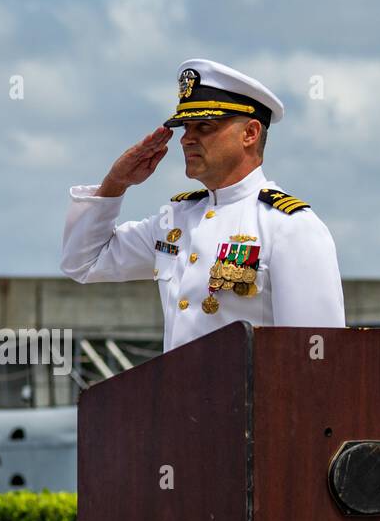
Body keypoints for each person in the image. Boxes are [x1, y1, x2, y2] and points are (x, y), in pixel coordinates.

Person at [61, 58, 345, 353]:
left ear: (250, 133)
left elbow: (316, 358)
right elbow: (84, 262)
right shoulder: (176, 220)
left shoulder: (289, 226)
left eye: (204, 127)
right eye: (186, 127)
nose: (187, 139)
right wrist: (115, 184)